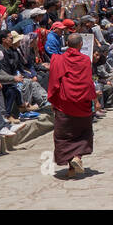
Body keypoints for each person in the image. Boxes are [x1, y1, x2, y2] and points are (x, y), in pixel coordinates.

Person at [48, 32, 97, 177]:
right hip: (81, 103)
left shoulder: (58, 59)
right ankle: (77, 158)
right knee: (82, 133)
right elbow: (88, 82)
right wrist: (95, 99)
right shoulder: (84, 60)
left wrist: (53, 100)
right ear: (81, 44)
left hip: (64, 103)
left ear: (67, 45)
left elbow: (54, 82)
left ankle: (71, 167)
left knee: (64, 135)